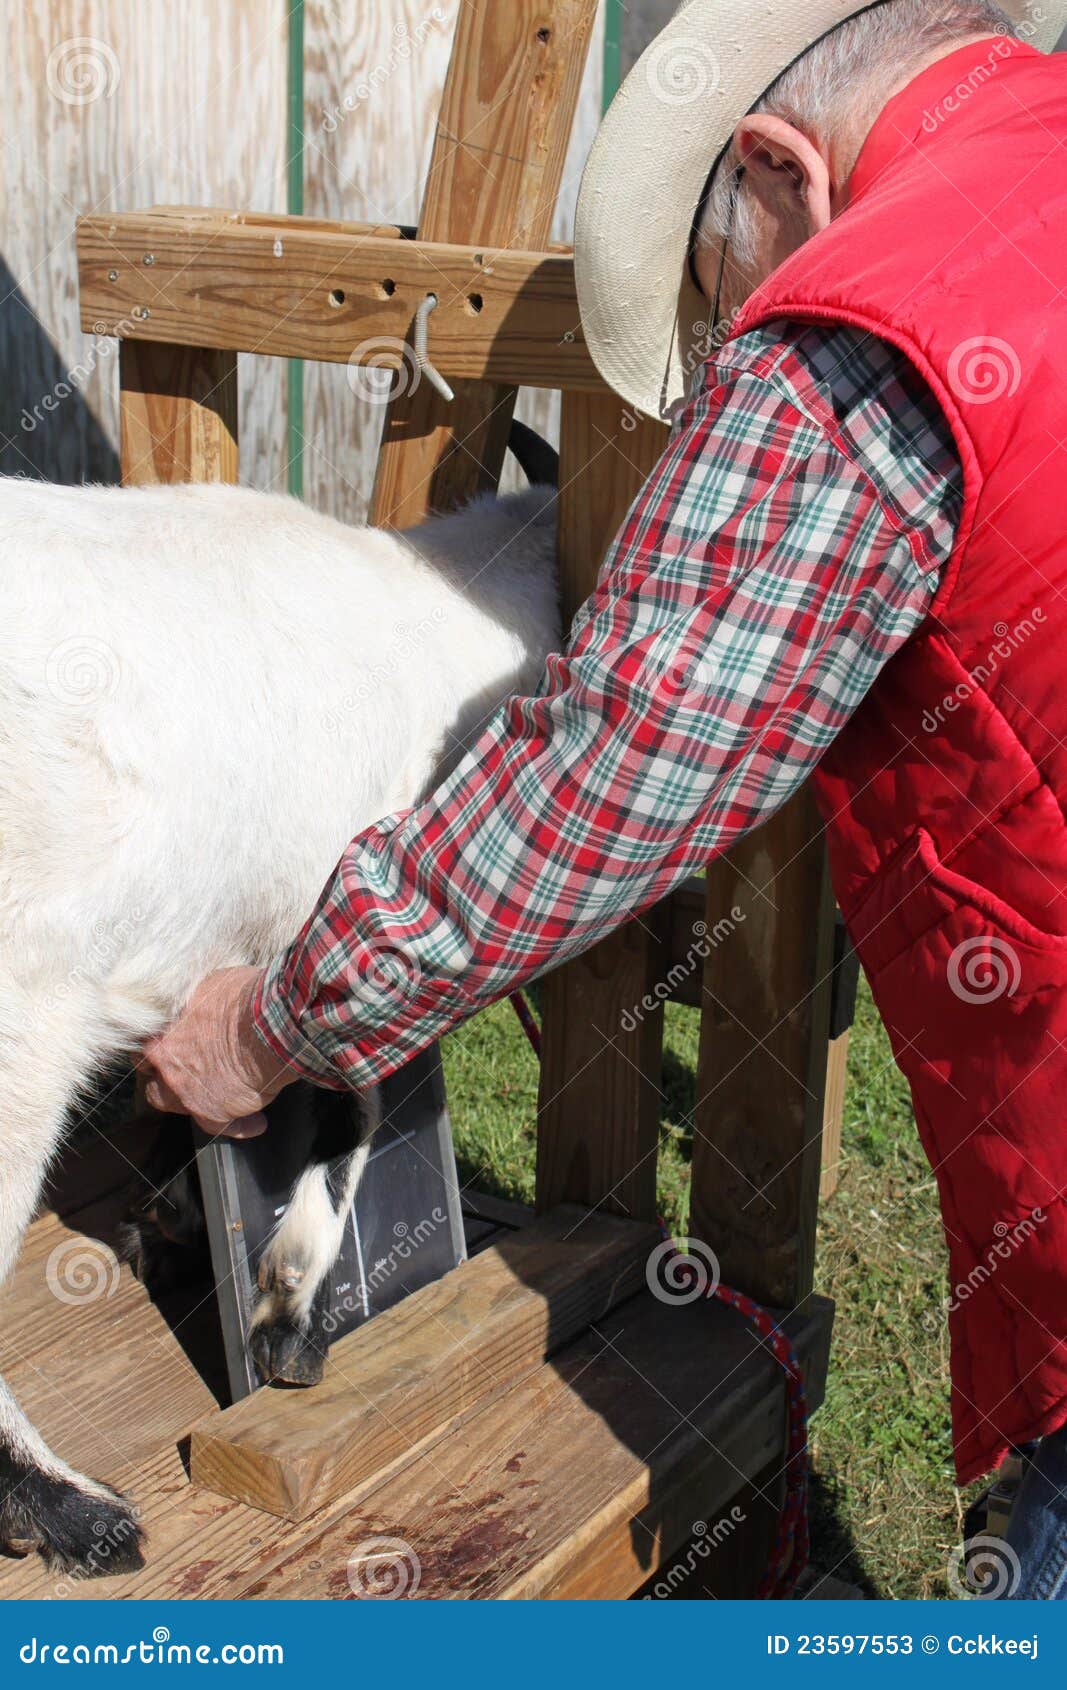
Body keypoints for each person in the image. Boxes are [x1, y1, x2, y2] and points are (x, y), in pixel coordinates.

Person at [141, 0, 1067, 1596]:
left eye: (728, 291)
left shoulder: (868, 328)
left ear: (776, 165)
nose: (742, 334)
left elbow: (616, 767)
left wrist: (269, 1026)